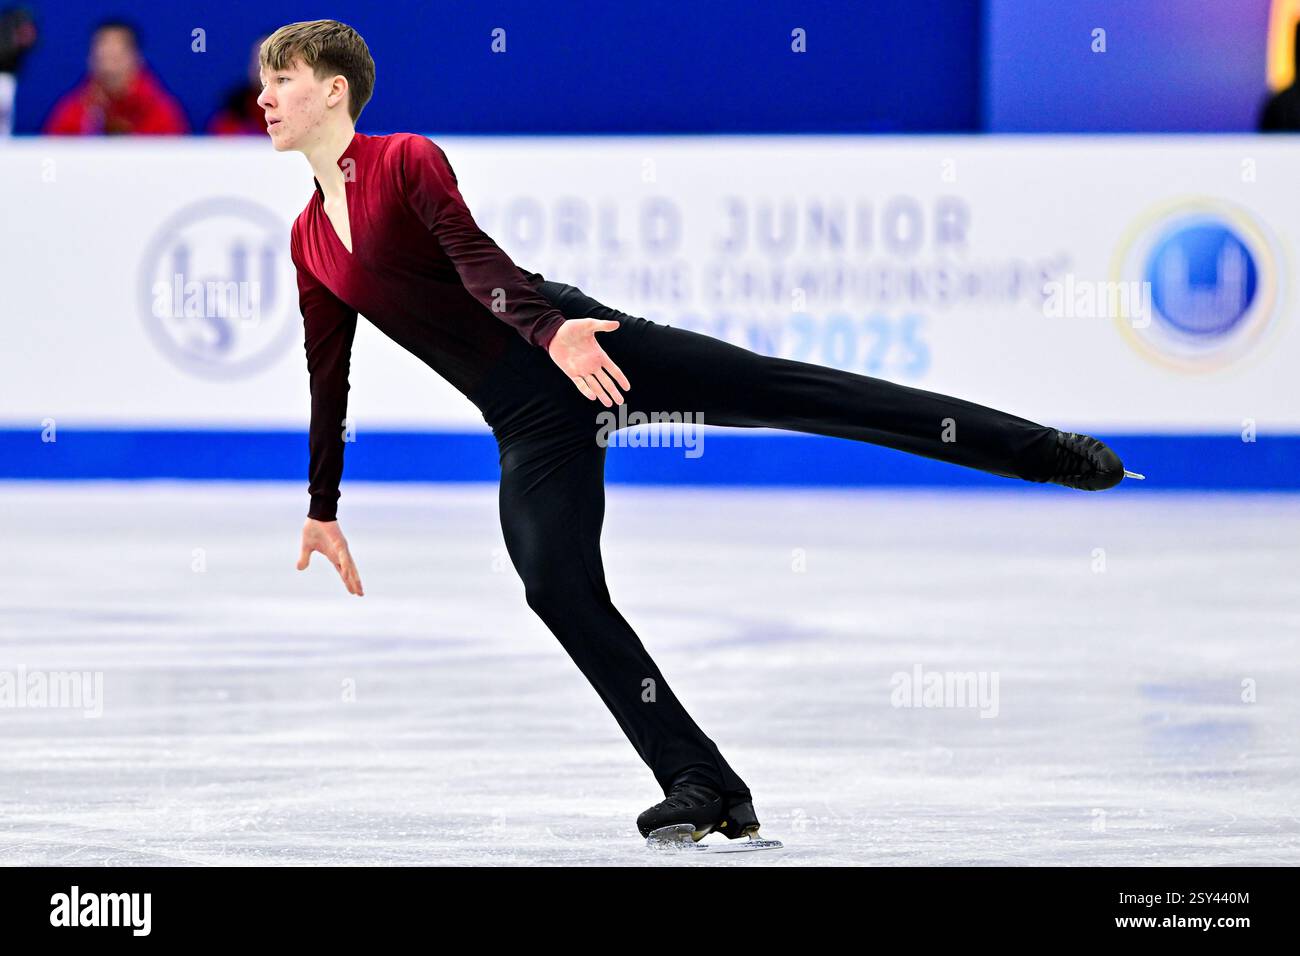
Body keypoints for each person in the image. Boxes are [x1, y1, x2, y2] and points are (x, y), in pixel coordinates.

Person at [262, 19, 1131, 845]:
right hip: (527, 415)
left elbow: (473, 256)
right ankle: (702, 782)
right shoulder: (308, 240)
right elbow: (326, 376)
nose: (264, 97)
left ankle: (1036, 451)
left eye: (283, 80)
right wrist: (322, 505)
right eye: (264, 83)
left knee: (795, 393)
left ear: (335, 93)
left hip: (586, 344)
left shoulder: (405, 161)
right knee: (554, 586)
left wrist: (550, 330)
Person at [44, 19, 188, 135]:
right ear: (90, 59)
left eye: (116, 58)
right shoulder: (74, 111)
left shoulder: (161, 112)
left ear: (137, 58)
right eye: (103, 57)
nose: (109, 69)